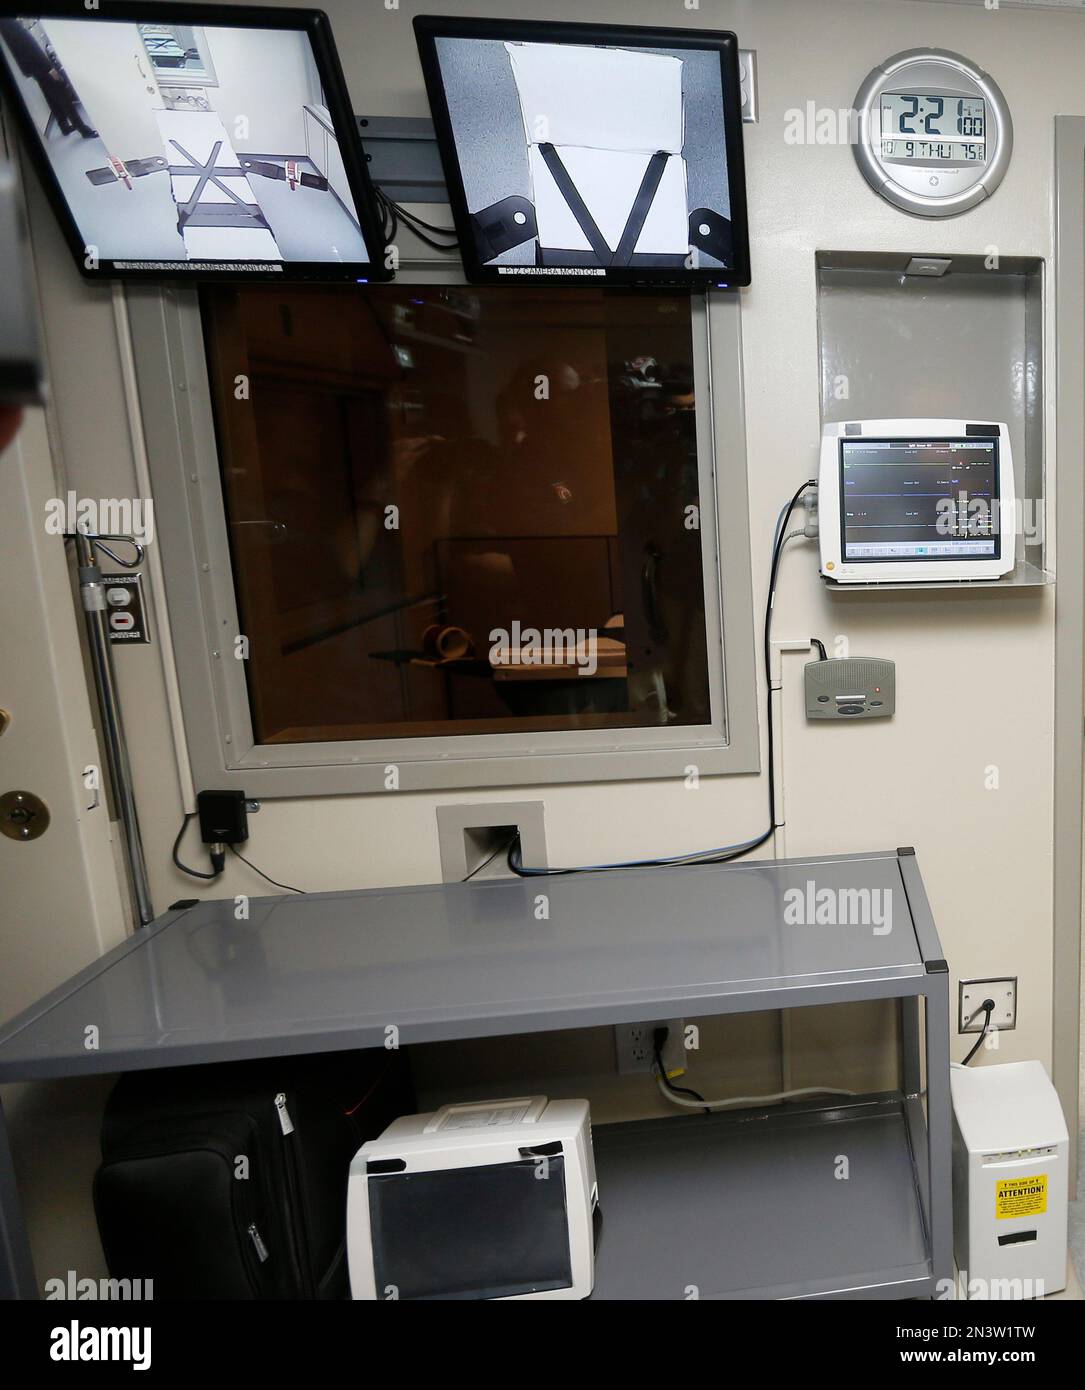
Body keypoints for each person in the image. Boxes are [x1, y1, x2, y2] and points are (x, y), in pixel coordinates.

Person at [0, 19, 96, 139]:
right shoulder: (9, 22)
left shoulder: (3, 26)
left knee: (51, 97)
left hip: (31, 68)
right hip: (40, 65)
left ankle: (64, 126)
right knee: (63, 95)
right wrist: (49, 68)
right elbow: (30, 45)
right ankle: (83, 129)